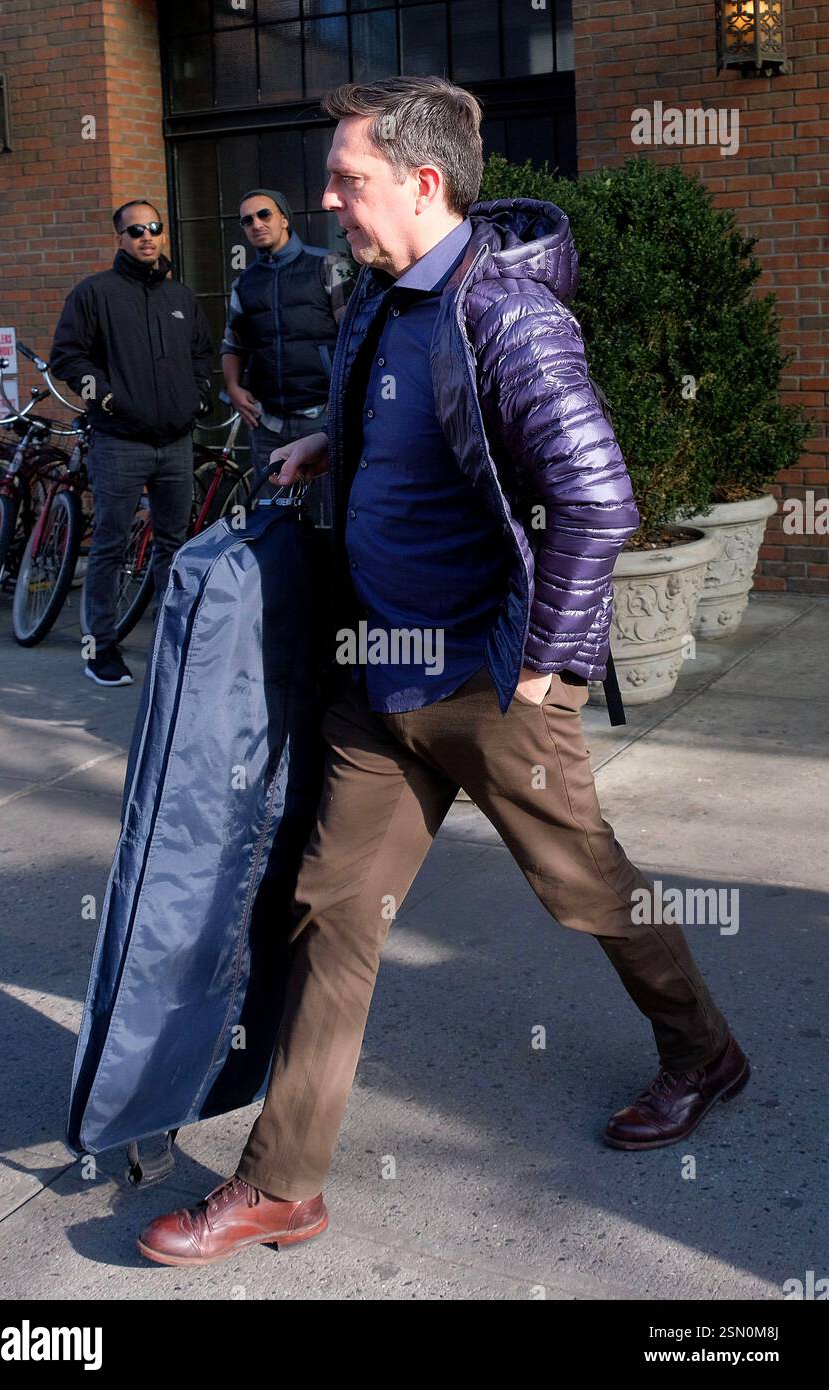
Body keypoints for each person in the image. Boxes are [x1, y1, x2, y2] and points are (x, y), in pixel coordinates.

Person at [136, 77, 749, 1266]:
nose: (325, 200)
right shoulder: (379, 297)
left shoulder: (506, 315)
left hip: (486, 674)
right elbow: (400, 419)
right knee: (333, 912)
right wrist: (330, 442)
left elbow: (595, 498)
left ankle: (700, 1050)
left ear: (423, 185)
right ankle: (282, 1183)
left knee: (586, 886)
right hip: (379, 675)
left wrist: (540, 671)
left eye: (346, 180)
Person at [49, 200, 213, 686]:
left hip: (176, 442)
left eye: (154, 228)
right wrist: (109, 399)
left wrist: (198, 398)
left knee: (173, 546)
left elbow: (202, 352)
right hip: (120, 442)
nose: (147, 236)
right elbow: (67, 357)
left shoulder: (180, 295)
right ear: (119, 238)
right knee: (110, 546)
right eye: (135, 230)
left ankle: (171, 642)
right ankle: (99, 649)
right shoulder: (94, 293)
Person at [220, 187, 354, 528]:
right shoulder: (245, 283)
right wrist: (233, 388)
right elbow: (232, 344)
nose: (256, 224)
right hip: (268, 423)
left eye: (264, 214)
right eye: (247, 220)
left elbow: (355, 336)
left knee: (333, 520)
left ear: (283, 218)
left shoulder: (328, 265)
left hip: (321, 418)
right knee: (273, 524)